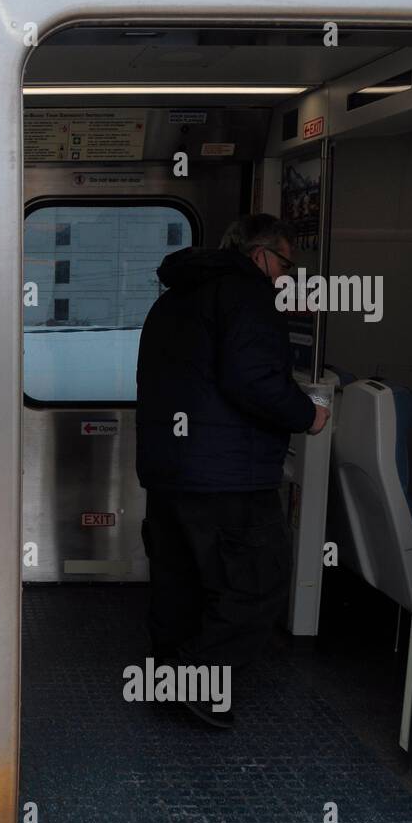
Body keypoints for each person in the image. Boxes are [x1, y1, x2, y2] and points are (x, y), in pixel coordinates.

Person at [135, 214, 329, 728]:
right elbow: (255, 380)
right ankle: (197, 680)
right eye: (286, 265)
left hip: (168, 469)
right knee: (257, 582)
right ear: (261, 255)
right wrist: (308, 415)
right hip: (227, 475)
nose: (286, 277)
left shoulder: (172, 299)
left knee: (179, 580)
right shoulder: (248, 295)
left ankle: (167, 680)